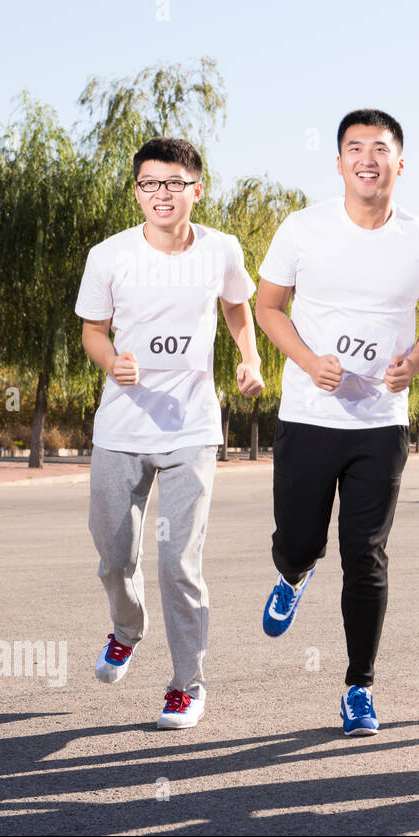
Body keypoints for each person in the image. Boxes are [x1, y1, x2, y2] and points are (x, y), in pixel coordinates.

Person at [254, 109, 419, 737]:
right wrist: (309, 362)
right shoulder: (303, 228)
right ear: (339, 162)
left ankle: (359, 686)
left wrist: (413, 363)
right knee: (300, 540)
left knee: (365, 555)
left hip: (380, 424)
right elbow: (267, 306)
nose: (368, 158)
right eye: (355, 148)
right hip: (309, 416)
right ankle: (292, 572)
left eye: (381, 148)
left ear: (400, 161)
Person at [77, 136, 265, 729]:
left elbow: (238, 306)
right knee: (113, 556)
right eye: (150, 183)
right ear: (137, 191)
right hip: (121, 427)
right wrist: (112, 362)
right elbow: (93, 331)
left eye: (174, 183)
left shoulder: (222, 249)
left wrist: (249, 357)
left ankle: (188, 684)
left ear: (196, 189)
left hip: (192, 426)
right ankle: (127, 628)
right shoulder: (108, 255)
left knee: (177, 562)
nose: (162, 193)